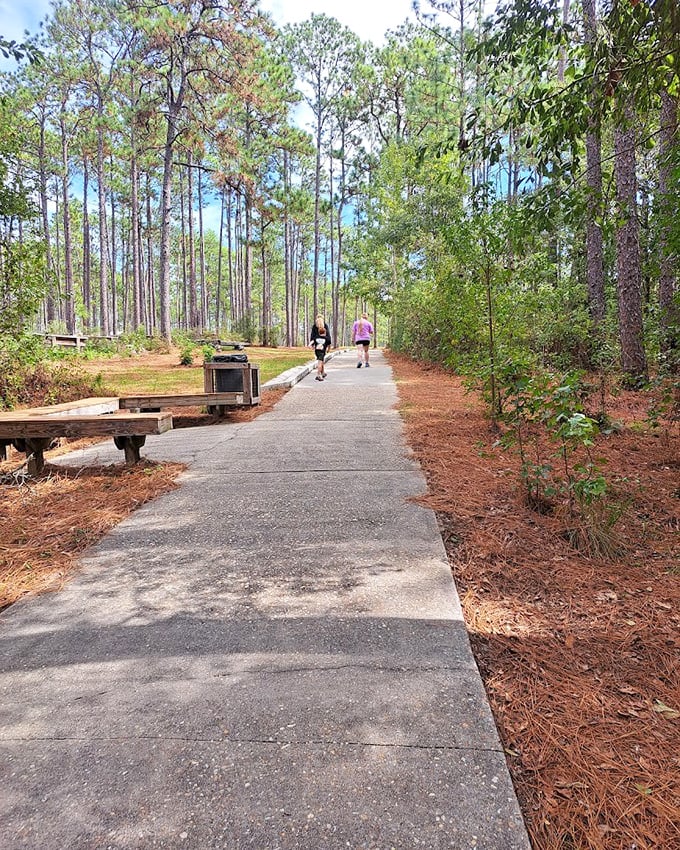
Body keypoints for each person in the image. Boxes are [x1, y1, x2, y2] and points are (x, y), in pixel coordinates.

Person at [309, 315, 331, 381]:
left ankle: (323, 372)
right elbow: (328, 336)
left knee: (320, 360)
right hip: (323, 346)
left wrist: (311, 344)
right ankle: (319, 374)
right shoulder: (325, 326)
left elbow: (312, 336)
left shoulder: (314, 326)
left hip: (317, 346)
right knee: (320, 360)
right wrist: (328, 347)